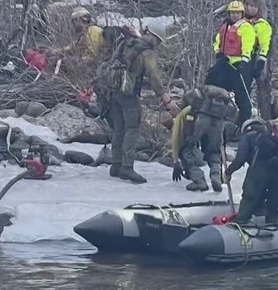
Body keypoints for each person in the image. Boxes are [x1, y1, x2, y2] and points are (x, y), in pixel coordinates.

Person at [93, 24, 179, 184]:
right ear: (154, 38)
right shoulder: (147, 52)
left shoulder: (126, 43)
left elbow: (112, 62)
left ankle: (116, 165)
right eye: (159, 42)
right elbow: (153, 77)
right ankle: (127, 167)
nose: (158, 45)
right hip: (128, 93)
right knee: (132, 128)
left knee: (119, 128)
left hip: (113, 92)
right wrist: (165, 98)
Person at [224, 119, 278, 225]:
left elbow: (240, 158)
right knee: (273, 201)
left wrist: (228, 172)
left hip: (259, 171)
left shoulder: (248, 136)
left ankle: (241, 223)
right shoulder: (274, 134)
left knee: (249, 198)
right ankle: (272, 226)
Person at [170, 85, 238, 192]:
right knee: (213, 151)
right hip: (218, 122)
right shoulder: (213, 108)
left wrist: (175, 161)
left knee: (186, 150)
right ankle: (216, 176)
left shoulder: (184, 113)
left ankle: (199, 181)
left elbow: (176, 139)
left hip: (200, 121)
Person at [205, 0, 256, 127]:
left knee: (242, 96)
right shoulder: (225, 26)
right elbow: (218, 41)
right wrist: (218, 51)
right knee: (212, 83)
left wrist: (244, 59)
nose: (235, 15)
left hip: (239, 65)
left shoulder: (245, 27)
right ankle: (213, 117)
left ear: (242, 13)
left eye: (238, 13)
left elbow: (248, 44)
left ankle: (244, 125)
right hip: (225, 63)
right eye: (233, 12)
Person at [243, 0, 273, 90]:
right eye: (251, 5)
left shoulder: (262, 24)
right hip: (234, 56)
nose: (252, 9)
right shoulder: (239, 20)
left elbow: (265, 45)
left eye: (255, 6)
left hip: (251, 58)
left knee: (245, 84)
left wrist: (260, 63)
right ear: (246, 6)